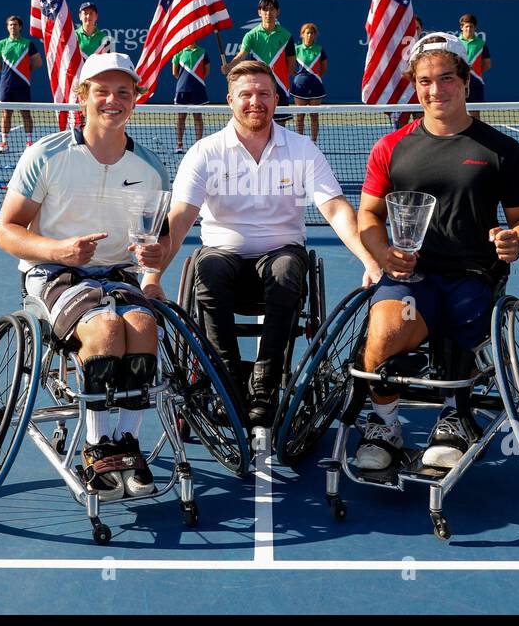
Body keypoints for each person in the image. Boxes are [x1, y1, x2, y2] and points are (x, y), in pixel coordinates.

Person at [157, 60, 381, 428]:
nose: (255, 101)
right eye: (246, 94)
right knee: (207, 266)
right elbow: (179, 219)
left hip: (280, 257)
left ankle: (265, 384)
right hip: (222, 256)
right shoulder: (205, 152)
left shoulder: (302, 149)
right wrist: (153, 274)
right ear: (230, 100)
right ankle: (226, 381)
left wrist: (369, 259)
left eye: (263, 93)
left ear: (277, 99)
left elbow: (336, 209)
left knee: (288, 267)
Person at [354, 32, 519, 472]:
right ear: (415, 86)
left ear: (466, 82)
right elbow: (367, 216)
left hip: (474, 273)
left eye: (446, 79)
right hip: (409, 277)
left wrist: (516, 241)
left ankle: (455, 416)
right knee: (383, 337)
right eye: (424, 81)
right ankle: (384, 424)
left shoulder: (503, 151)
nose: (436, 90)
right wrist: (382, 251)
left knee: (463, 326)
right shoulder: (391, 146)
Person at [0, 51, 172, 502]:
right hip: (54, 271)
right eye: (102, 91)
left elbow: (161, 242)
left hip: (117, 273)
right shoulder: (45, 155)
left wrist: (153, 265)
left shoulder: (150, 168)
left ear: (136, 99)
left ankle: (126, 443)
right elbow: (5, 230)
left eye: (124, 92)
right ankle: (96, 447)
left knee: (143, 325)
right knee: (107, 327)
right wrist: (60, 250)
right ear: (82, 96)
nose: (113, 100)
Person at [228, 0, 295, 111]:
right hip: (257, 85)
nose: (268, 13)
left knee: (280, 123)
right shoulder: (251, 35)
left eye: (272, 9)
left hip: (280, 86)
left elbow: (291, 65)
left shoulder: (286, 36)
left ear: (277, 12)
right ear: (259, 12)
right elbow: (241, 55)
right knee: (258, 123)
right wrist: (229, 66)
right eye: (265, 9)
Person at [0, 14, 41, 155]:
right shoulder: (1, 44)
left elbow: (38, 62)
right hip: (6, 85)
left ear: (20, 27)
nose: (13, 27)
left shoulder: (28, 44)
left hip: (23, 84)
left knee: (26, 113)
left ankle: (29, 142)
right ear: (7, 27)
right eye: (10, 24)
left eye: (15, 24)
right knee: (6, 113)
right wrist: (5, 74)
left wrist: (25, 71)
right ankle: (4, 143)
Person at [171, 40, 212, 152]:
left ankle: (198, 144)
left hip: (197, 89)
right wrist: (184, 82)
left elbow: (207, 70)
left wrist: (197, 80)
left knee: (198, 117)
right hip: (182, 90)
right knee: (181, 117)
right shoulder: (178, 53)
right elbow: (175, 72)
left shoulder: (203, 52)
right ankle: (179, 144)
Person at [291, 22, 327, 143]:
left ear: (315, 35)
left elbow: (324, 68)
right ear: (302, 35)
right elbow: (290, 67)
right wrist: (299, 77)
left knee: (314, 116)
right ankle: (300, 142)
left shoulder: (320, 50)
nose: (310, 35)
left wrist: (314, 78)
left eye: (312, 33)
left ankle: (313, 142)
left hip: (315, 87)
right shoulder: (296, 50)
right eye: (307, 33)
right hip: (299, 88)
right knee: (300, 116)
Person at [458, 13, 493, 119]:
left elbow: (487, 64)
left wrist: (475, 72)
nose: (469, 29)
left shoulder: (481, 43)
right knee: (458, 111)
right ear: (461, 27)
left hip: (475, 83)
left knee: (475, 114)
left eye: (471, 26)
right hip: (459, 82)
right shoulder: (456, 42)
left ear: (475, 28)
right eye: (466, 26)